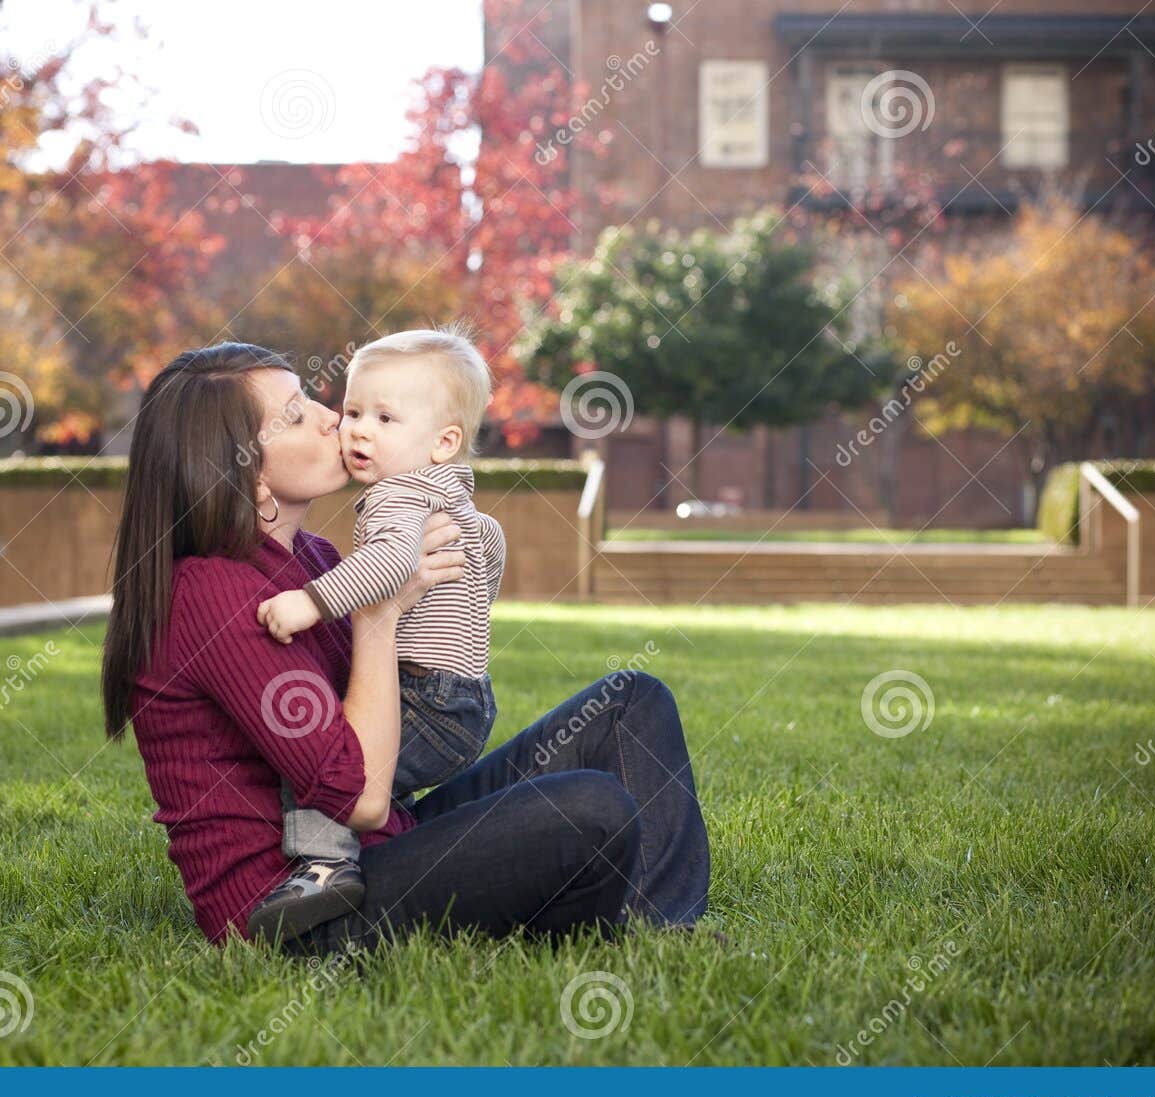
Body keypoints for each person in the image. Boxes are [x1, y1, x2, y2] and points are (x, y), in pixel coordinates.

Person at [101, 342, 710, 954]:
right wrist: (380, 610)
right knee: (593, 809)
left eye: (313, 399)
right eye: (295, 413)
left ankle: (665, 935)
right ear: (244, 469)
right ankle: (611, 911)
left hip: (387, 845)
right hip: (307, 910)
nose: (332, 416)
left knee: (632, 703)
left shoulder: (313, 559)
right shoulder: (214, 593)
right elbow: (362, 798)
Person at [251, 327, 505, 943]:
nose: (359, 430)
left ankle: (326, 865)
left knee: (328, 761)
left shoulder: (396, 495)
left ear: (444, 441)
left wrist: (310, 602)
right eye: (355, 410)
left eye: (386, 418)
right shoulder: (456, 500)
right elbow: (490, 547)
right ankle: (386, 841)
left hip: (428, 696)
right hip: (468, 696)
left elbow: (390, 565)